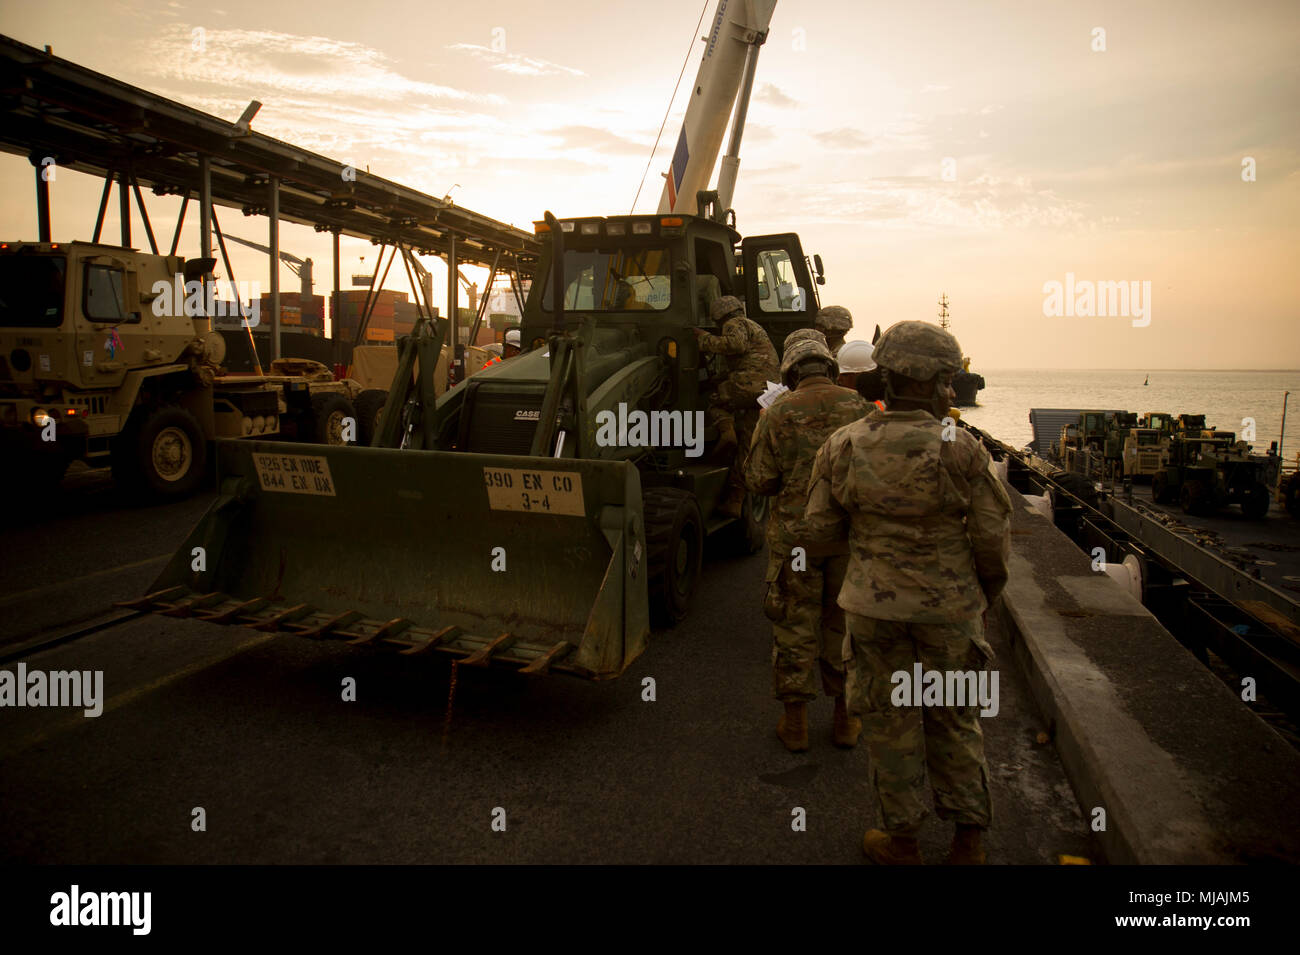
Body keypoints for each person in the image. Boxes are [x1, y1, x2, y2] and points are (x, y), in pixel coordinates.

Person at [804, 320, 1011, 865]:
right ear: (934, 382)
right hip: (949, 612)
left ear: (887, 376)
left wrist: (867, 552)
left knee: (890, 724)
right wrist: (980, 593)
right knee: (954, 718)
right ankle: (969, 843)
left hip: (873, 612)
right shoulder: (960, 447)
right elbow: (991, 538)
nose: (950, 391)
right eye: (947, 381)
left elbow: (820, 533)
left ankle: (902, 843)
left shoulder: (843, 444)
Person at [745, 333, 870, 752]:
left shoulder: (777, 412)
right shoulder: (862, 410)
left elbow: (759, 480)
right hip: (847, 542)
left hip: (795, 544)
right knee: (844, 628)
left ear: (791, 372)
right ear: (830, 367)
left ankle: (795, 725)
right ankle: (846, 722)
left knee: (794, 627)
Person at [694, 295, 779, 518]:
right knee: (748, 446)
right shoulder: (755, 326)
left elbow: (735, 345)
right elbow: (747, 359)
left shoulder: (735, 324)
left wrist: (704, 339)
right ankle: (736, 499)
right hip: (766, 391)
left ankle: (726, 431)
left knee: (715, 399)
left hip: (748, 384)